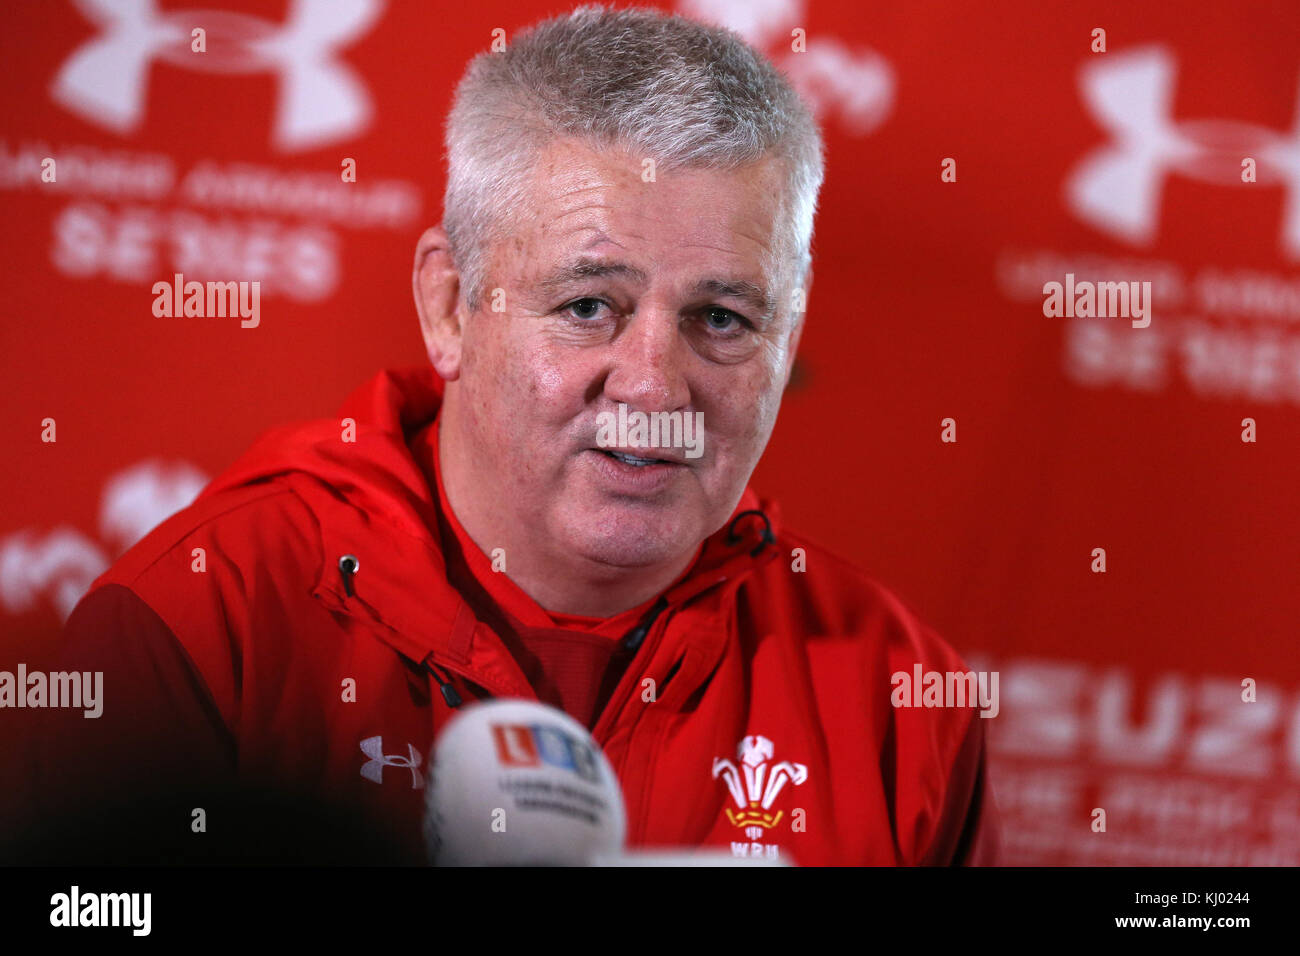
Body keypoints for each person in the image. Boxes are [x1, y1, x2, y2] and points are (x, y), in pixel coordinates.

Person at [17, 4, 998, 865]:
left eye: (723, 319)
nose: (655, 382)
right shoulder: (204, 622)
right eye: (586, 304)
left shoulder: (896, 693)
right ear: (449, 306)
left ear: (788, 332)